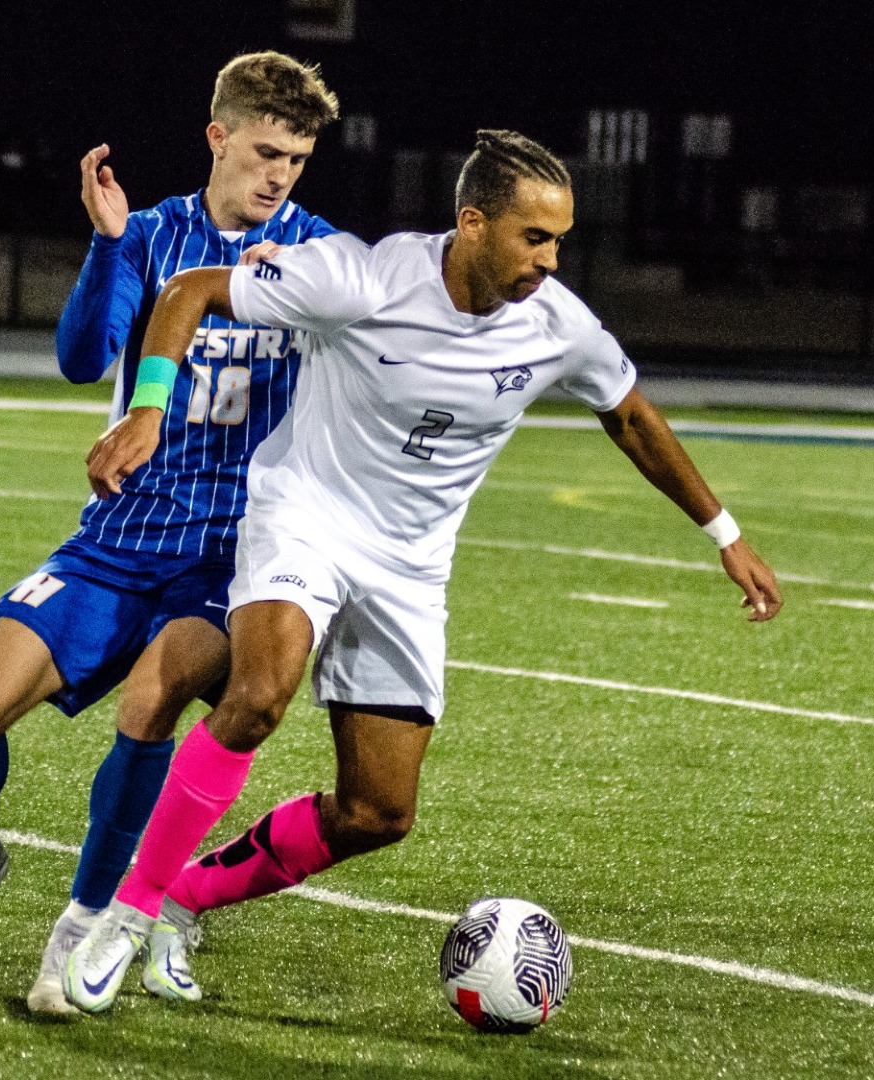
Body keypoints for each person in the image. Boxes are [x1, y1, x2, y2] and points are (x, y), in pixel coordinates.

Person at [61, 129, 784, 1013]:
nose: (550, 261)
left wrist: (725, 533)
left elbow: (629, 416)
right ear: (472, 222)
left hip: (409, 570)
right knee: (257, 697)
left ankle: (187, 897)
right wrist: (147, 410)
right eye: (534, 237)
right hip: (306, 521)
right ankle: (126, 915)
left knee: (378, 813)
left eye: (559, 240)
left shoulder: (559, 325)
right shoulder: (364, 277)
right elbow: (190, 291)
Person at [0, 51, 342, 1016]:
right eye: (263, 152)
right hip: (122, 533)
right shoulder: (154, 234)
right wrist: (106, 244)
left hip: (235, 553)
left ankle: (85, 924)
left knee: (153, 700)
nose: (278, 175)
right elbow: (84, 358)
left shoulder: (321, 255)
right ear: (217, 138)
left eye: (295, 159)